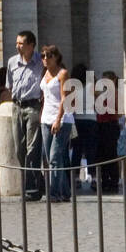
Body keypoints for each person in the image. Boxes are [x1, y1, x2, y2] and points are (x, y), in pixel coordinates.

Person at [2, 30, 46, 200]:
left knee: (33, 148)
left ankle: (31, 189)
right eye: (17, 43)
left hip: (34, 106)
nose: (17, 46)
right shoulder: (12, 62)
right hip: (17, 106)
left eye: (21, 43)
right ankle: (39, 181)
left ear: (31, 45)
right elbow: (9, 86)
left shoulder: (41, 62)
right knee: (19, 149)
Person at [38, 45, 72, 203]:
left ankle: (54, 193)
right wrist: (41, 115)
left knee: (54, 157)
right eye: (43, 56)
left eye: (49, 56)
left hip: (62, 119)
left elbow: (65, 98)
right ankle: (65, 192)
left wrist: (58, 119)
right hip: (45, 118)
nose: (45, 58)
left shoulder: (62, 73)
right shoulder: (44, 73)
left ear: (56, 57)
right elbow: (45, 97)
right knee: (52, 158)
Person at [94, 70, 123, 193]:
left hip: (110, 126)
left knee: (111, 154)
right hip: (100, 126)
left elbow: (120, 113)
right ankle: (105, 181)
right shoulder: (102, 93)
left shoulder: (115, 93)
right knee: (101, 155)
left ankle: (113, 182)